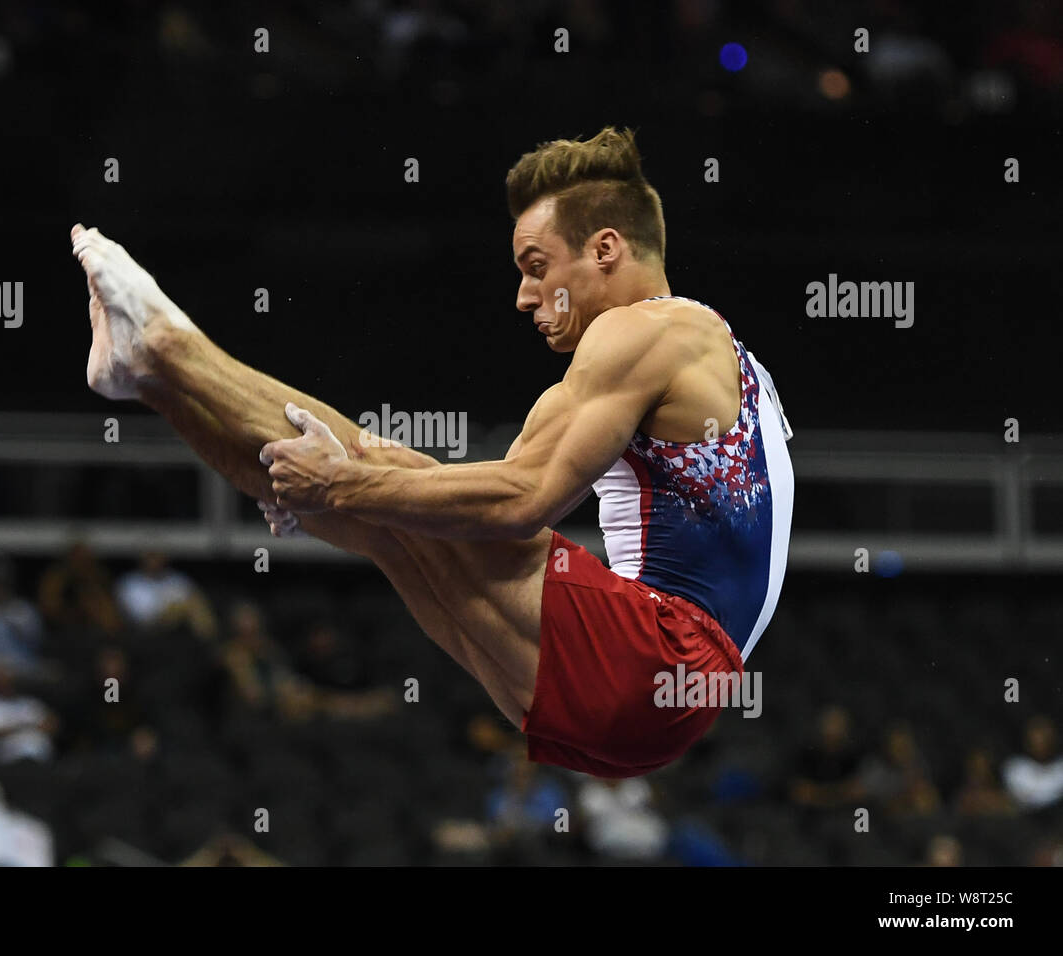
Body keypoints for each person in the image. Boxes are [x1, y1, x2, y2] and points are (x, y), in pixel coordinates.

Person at [68, 125, 794, 777]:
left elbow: (520, 502)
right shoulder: (723, 357)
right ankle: (148, 378)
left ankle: (165, 342)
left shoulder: (645, 330)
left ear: (606, 248)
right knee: (395, 517)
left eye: (536, 265)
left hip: (656, 655)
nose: (523, 295)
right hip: (662, 711)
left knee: (380, 482)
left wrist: (341, 487)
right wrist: (343, 494)